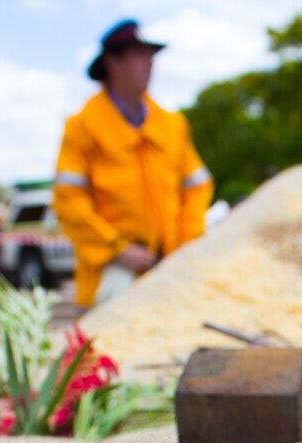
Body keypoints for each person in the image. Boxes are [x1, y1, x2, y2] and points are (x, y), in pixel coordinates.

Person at [54, 19, 214, 308]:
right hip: (114, 270)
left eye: (151, 57)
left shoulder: (172, 124)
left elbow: (198, 186)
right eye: (140, 55)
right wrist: (116, 248)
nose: (150, 64)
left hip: (170, 268)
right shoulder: (83, 126)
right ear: (113, 62)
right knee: (107, 344)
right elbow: (68, 200)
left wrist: (186, 243)